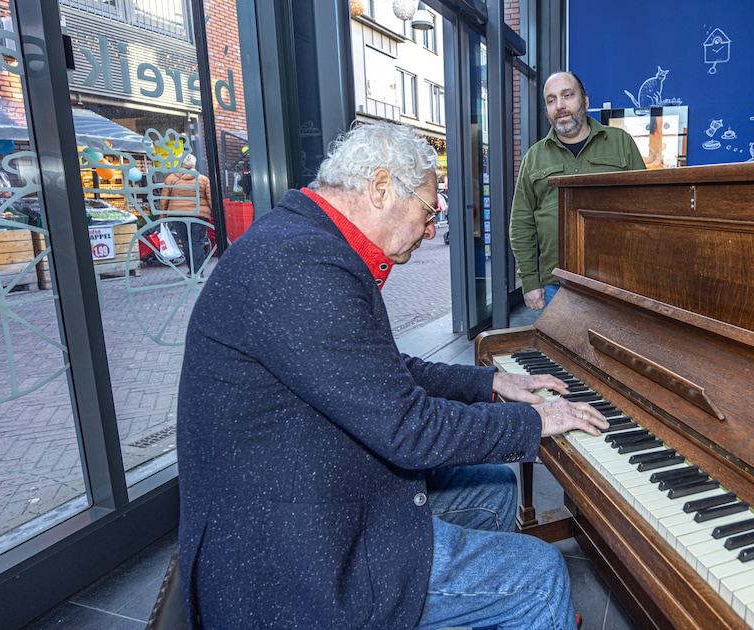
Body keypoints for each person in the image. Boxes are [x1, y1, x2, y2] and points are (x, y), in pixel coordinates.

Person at [176, 121, 607, 629]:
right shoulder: (302, 264)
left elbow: (377, 369)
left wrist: (490, 384)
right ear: (381, 188)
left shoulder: (307, 240)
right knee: (538, 574)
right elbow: (410, 430)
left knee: (491, 487)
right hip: (290, 556)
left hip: (316, 489)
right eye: (429, 211)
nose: (431, 229)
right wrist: (537, 422)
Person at [510, 71, 646, 310]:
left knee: (611, 348)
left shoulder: (620, 142)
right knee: (557, 349)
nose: (560, 106)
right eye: (551, 100)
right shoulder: (534, 157)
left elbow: (646, 208)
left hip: (616, 282)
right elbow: (521, 224)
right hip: (555, 285)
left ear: (585, 101)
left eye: (567, 95)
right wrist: (530, 281)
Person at [159, 153, 214, 275]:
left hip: (178, 215)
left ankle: (191, 270)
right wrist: (213, 214)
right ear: (194, 164)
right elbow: (210, 199)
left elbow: (164, 200)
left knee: (186, 242)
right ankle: (198, 272)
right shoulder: (203, 179)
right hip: (199, 215)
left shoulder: (171, 178)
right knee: (197, 242)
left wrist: (162, 218)